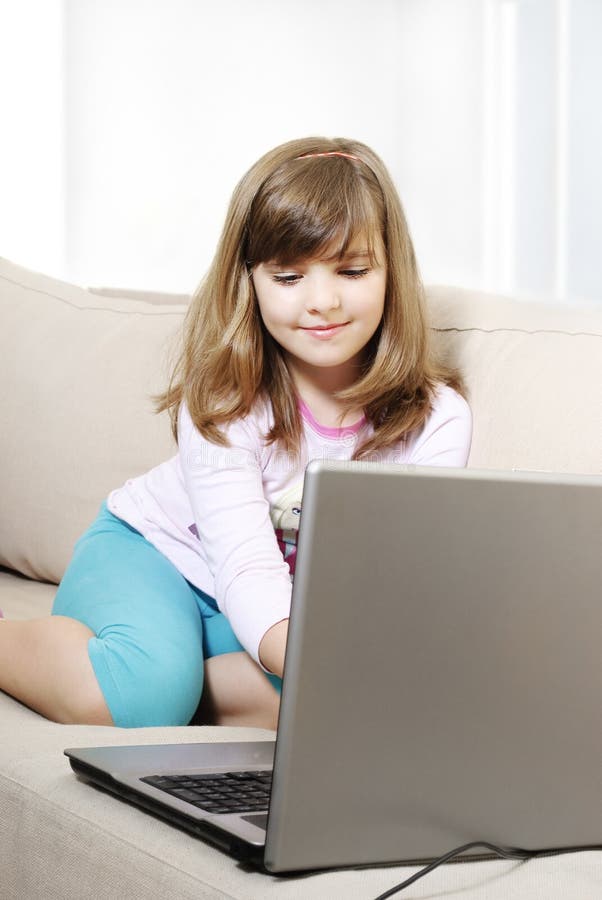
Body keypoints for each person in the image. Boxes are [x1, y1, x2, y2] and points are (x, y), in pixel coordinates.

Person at [0, 137, 471, 730]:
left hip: (257, 609)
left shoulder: (438, 419)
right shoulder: (228, 405)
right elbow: (248, 567)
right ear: (250, 281)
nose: (322, 301)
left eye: (351, 270)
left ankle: (180, 674)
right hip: (152, 555)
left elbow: (398, 578)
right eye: (289, 276)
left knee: (340, 705)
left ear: (391, 273)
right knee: (148, 693)